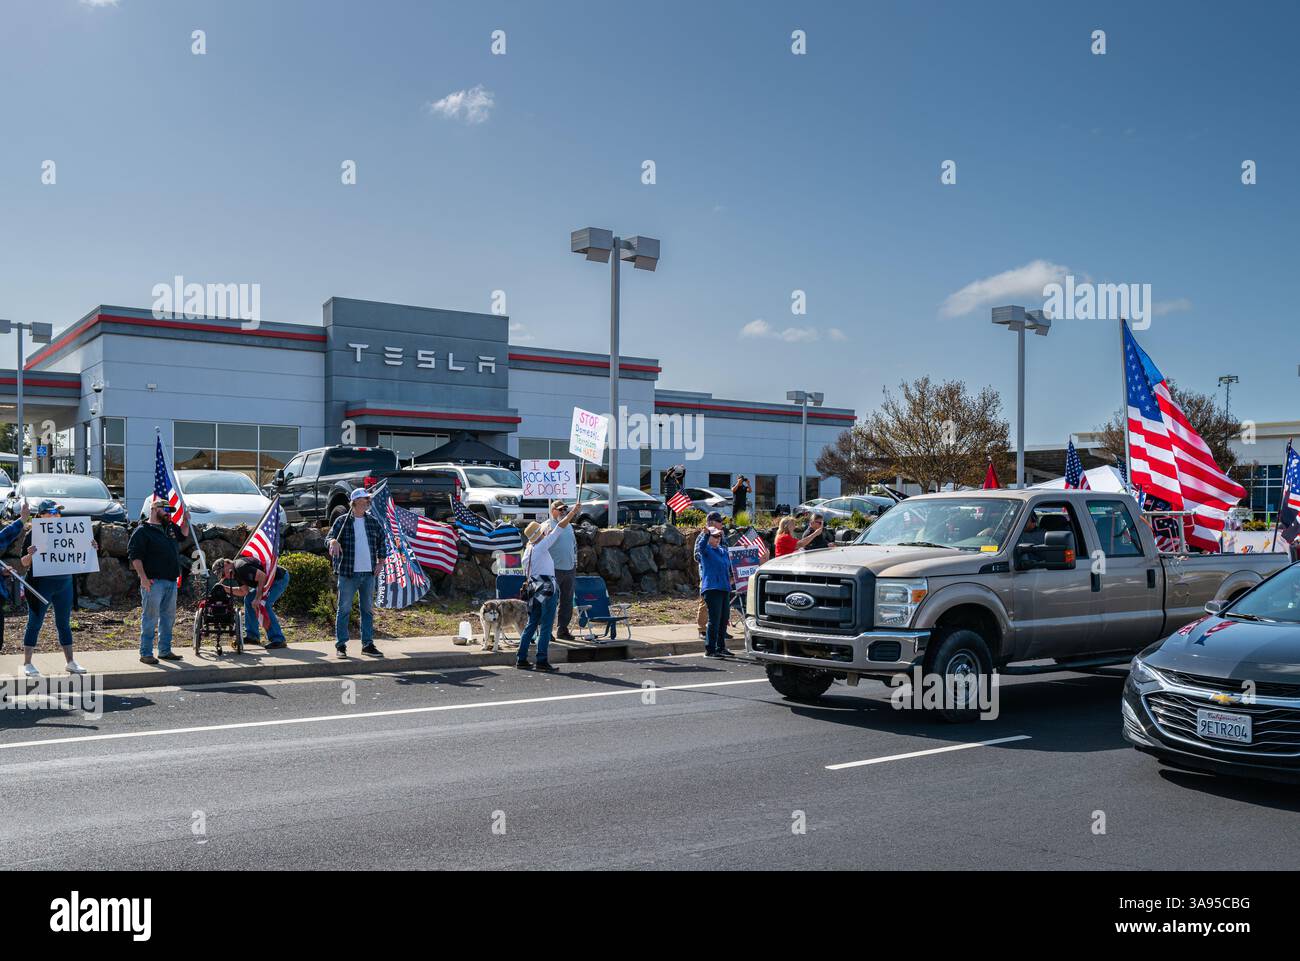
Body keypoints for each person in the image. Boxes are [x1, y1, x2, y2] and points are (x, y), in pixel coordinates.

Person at [18, 500, 90, 677]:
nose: (56, 514)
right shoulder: (34, 533)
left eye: (58, 511)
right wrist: (30, 554)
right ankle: (27, 663)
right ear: (41, 514)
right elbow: (23, 562)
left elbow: (82, 555)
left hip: (64, 583)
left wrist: (92, 547)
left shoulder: (69, 532)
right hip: (40, 585)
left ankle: (70, 662)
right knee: (34, 623)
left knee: (64, 624)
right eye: (51, 511)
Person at [517, 499, 581, 672]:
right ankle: (542, 660)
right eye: (542, 532)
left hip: (533, 587)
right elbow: (559, 527)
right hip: (546, 586)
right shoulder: (542, 545)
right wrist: (572, 512)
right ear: (539, 534)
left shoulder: (528, 551)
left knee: (532, 624)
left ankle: (521, 658)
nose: (545, 533)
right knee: (546, 625)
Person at [327, 488, 389, 658]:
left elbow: (382, 541)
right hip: (348, 573)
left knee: (367, 610)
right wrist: (333, 541)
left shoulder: (373, 522)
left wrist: (381, 562)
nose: (367, 502)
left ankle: (367, 645)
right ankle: (341, 646)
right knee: (344, 609)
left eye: (367, 500)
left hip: (368, 574)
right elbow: (329, 539)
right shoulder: (342, 521)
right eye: (363, 499)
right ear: (354, 502)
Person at [129, 495, 185, 665]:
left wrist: (187, 519)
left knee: (168, 618)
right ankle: (145, 653)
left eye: (170, 510)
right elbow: (135, 557)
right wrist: (143, 578)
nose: (169, 513)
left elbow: (183, 535)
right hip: (153, 582)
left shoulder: (170, 528)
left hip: (170, 580)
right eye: (165, 509)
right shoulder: (142, 530)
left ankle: (165, 650)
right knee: (150, 618)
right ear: (154, 510)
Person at [215, 556, 291, 649]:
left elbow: (262, 576)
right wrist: (225, 588)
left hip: (278, 579)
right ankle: (252, 636)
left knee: (264, 603)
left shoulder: (240, 567)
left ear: (226, 564)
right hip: (267, 582)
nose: (224, 577)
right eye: (222, 576)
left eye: (223, 573)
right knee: (249, 599)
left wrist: (258, 597)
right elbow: (244, 592)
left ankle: (278, 639)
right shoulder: (236, 573)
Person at [541, 498, 578, 641]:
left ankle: (563, 630)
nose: (563, 511)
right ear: (553, 511)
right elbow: (541, 547)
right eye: (560, 509)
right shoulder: (546, 525)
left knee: (567, 602)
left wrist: (575, 563)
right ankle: (546, 631)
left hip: (569, 568)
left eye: (565, 509)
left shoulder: (569, 526)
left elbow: (574, 545)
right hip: (553, 569)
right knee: (550, 602)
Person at [697, 522, 733, 658]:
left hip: (724, 588)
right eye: (714, 536)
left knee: (724, 619)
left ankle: (721, 647)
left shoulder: (723, 551)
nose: (717, 538)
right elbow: (700, 547)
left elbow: (730, 567)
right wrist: (706, 535)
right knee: (715, 619)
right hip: (712, 588)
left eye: (719, 536)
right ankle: (710, 649)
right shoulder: (706, 550)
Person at [694, 511, 728, 639]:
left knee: (719, 606)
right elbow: (697, 555)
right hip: (707, 576)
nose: (722, 524)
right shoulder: (703, 536)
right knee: (704, 603)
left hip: (720, 578)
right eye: (720, 521)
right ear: (712, 522)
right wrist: (710, 556)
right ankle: (702, 630)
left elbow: (725, 552)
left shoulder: (721, 536)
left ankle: (720, 630)